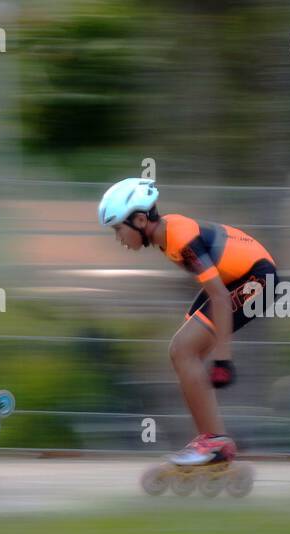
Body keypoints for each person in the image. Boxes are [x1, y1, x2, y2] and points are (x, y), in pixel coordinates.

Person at [99, 177, 276, 472]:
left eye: (118, 229)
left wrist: (223, 359)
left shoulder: (179, 237)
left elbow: (219, 296)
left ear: (141, 220)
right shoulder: (166, 234)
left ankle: (214, 441)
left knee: (183, 350)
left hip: (256, 279)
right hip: (241, 278)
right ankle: (213, 441)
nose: (118, 238)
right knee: (181, 351)